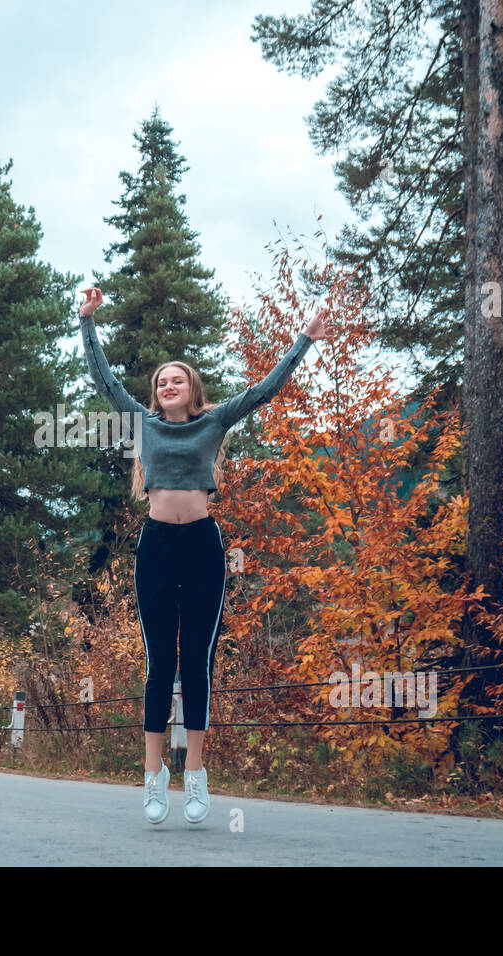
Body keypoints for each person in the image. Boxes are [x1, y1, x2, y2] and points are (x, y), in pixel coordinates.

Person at [78, 286, 327, 824]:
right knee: (157, 663)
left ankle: (194, 774)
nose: (168, 385)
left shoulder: (215, 421)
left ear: (192, 388)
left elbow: (264, 390)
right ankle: (152, 775)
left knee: (197, 662)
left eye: (177, 379)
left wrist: (304, 340)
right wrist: (88, 321)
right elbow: (104, 379)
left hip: (203, 547)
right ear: (155, 393)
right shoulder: (142, 422)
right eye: (161, 381)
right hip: (156, 547)